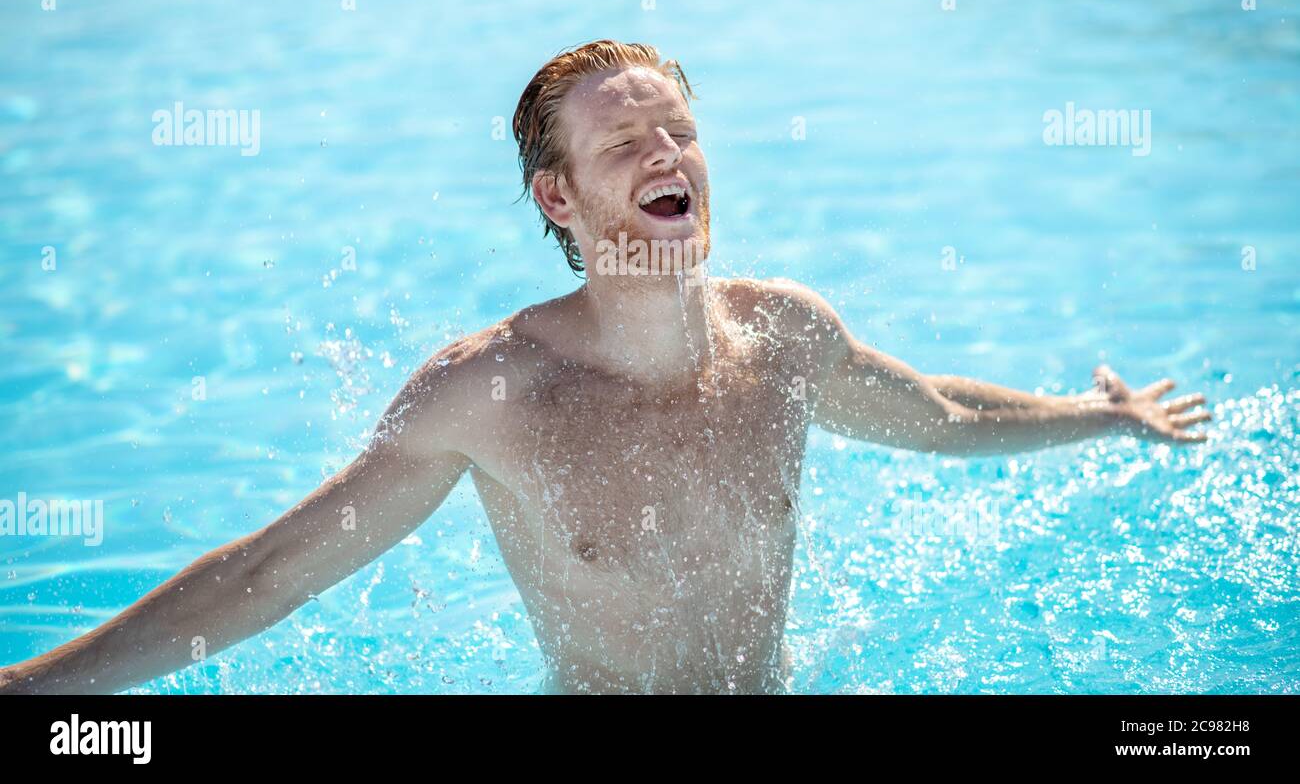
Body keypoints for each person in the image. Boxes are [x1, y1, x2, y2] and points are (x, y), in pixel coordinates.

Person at [0, 40, 1210, 694]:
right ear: (559, 197)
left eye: (677, 129)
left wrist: (1100, 417)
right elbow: (269, 574)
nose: (665, 151)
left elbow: (939, 414)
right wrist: (42, 686)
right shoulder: (490, 394)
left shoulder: (780, 336)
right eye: (623, 141)